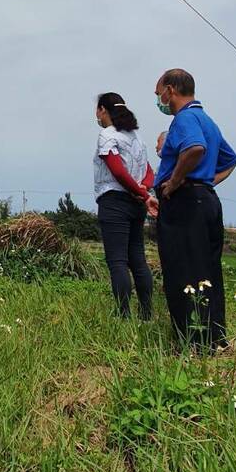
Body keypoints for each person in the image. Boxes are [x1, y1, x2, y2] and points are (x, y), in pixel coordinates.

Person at [152, 68, 236, 351]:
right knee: (207, 271)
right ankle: (213, 338)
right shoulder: (207, 120)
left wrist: (176, 182)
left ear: (171, 90)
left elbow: (194, 148)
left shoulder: (185, 118)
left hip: (184, 205)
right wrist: (204, 182)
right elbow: (229, 160)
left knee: (182, 271)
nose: (159, 99)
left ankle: (192, 342)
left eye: (159, 93)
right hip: (206, 201)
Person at [94, 92, 154, 319]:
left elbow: (116, 169)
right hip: (136, 204)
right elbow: (148, 171)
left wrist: (139, 191)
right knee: (138, 258)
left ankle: (123, 314)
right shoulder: (137, 138)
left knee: (117, 260)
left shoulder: (107, 135)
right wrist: (144, 192)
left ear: (102, 110)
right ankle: (146, 314)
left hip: (114, 201)